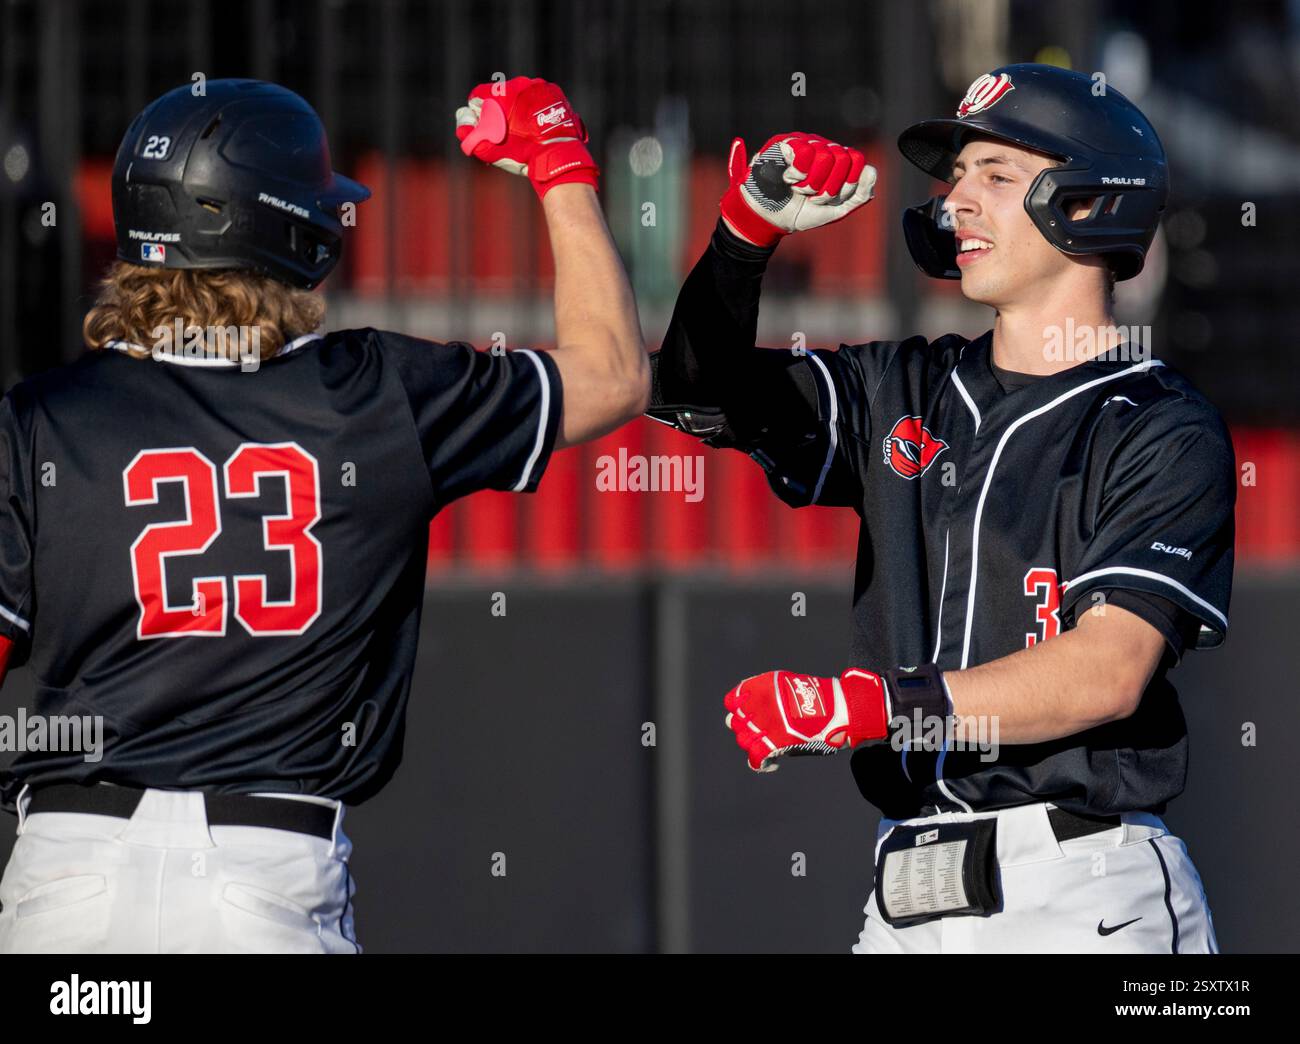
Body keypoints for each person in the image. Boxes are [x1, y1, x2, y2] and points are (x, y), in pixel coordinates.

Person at [0, 75, 647, 953]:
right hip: (260, 874)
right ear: (294, 232)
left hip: (66, 878)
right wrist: (561, 166)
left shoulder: (39, 417)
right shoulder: (377, 396)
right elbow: (613, 373)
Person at [648, 64, 1233, 954]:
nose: (958, 200)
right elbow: (692, 391)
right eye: (955, 178)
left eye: (995, 176)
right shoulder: (903, 386)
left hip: (1085, 894)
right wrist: (744, 235)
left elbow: (1106, 671)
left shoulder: (1160, 424)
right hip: (906, 895)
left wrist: (878, 704)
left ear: (1089, 204)